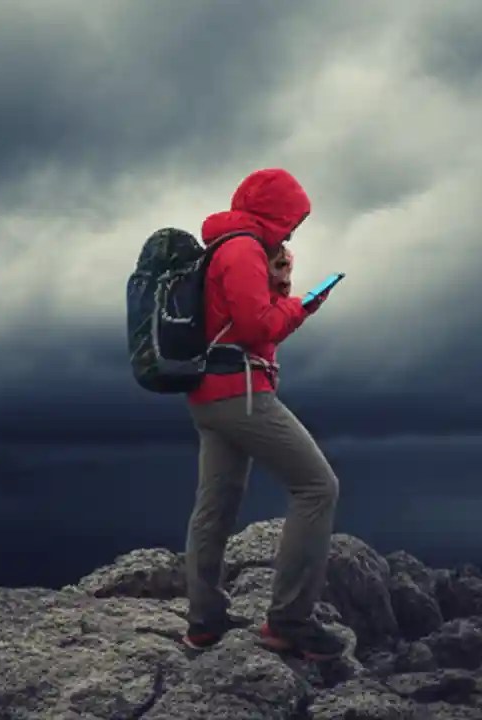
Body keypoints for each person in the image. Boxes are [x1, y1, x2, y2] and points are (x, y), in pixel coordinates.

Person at [181, 168, 346, 661]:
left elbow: (239, 321)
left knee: (216, 505)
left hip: (211, 396)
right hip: (241, 395)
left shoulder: (225, 248)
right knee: (318, 487)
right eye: (291, 220)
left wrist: (276, 287)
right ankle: (290, 622)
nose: (293, 231)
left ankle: (204, 622)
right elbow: (258, 330)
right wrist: (304, 304)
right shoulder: (243, 248)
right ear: (274, 212)